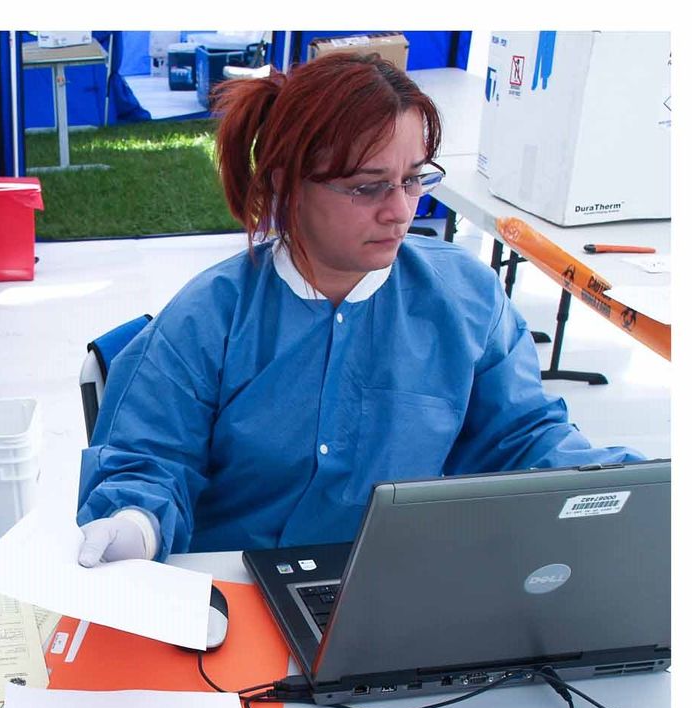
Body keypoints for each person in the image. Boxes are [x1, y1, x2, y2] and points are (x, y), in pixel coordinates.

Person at [77, 52, 640, 567]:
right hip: (230, 595)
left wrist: (624, 485)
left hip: (397, 589)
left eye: (414, 179)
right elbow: (148, 461)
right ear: (286, 184)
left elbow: (522, 438)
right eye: (367, 187)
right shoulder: (208, 319)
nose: (399, 211)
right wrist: (136, 524)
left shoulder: (467, 298)